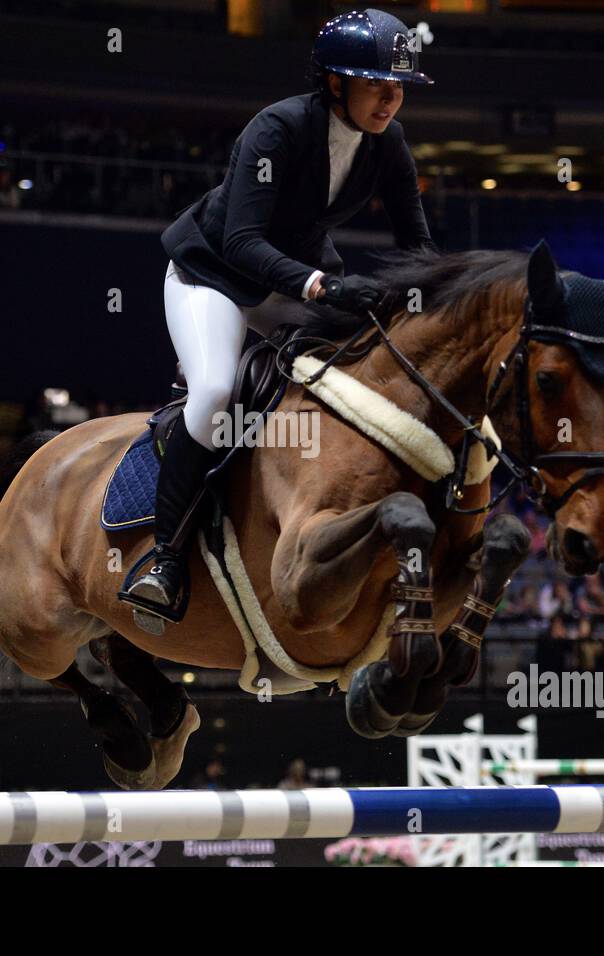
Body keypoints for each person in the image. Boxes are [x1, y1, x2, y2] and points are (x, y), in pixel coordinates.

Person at [122, 8, 439, 634]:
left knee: (359, 376)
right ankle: (162, 557)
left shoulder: (390, 143)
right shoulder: (277, 128)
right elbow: (241, 240)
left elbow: (417, 245)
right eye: (377, 84)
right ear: (334, 83)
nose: (391, 99)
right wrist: (320, 283)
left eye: (398, 87)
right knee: (215, 392)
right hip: (212, 276)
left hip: (293, 277)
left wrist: (436, 297)